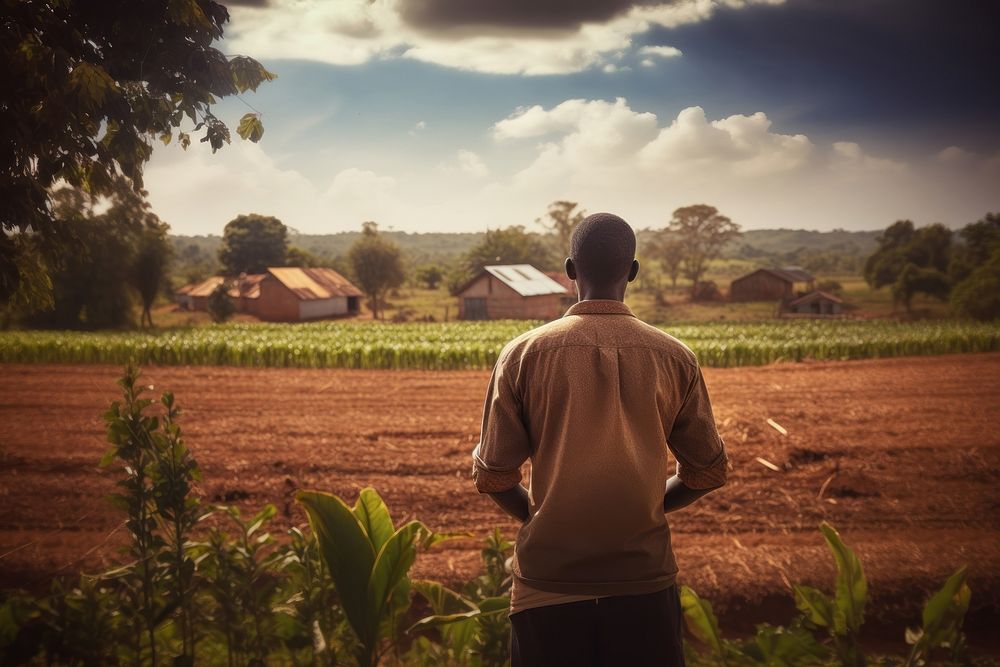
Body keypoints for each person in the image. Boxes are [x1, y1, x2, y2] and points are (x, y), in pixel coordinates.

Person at [471, 212, 729, 666]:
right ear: (633, 271)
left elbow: (493, 476)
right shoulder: (675, 357)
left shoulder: (522, 355)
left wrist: (543, 515)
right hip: (644, 587)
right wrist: (648, 506)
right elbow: (707, 472)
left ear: (571, 270)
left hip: (547, 588)